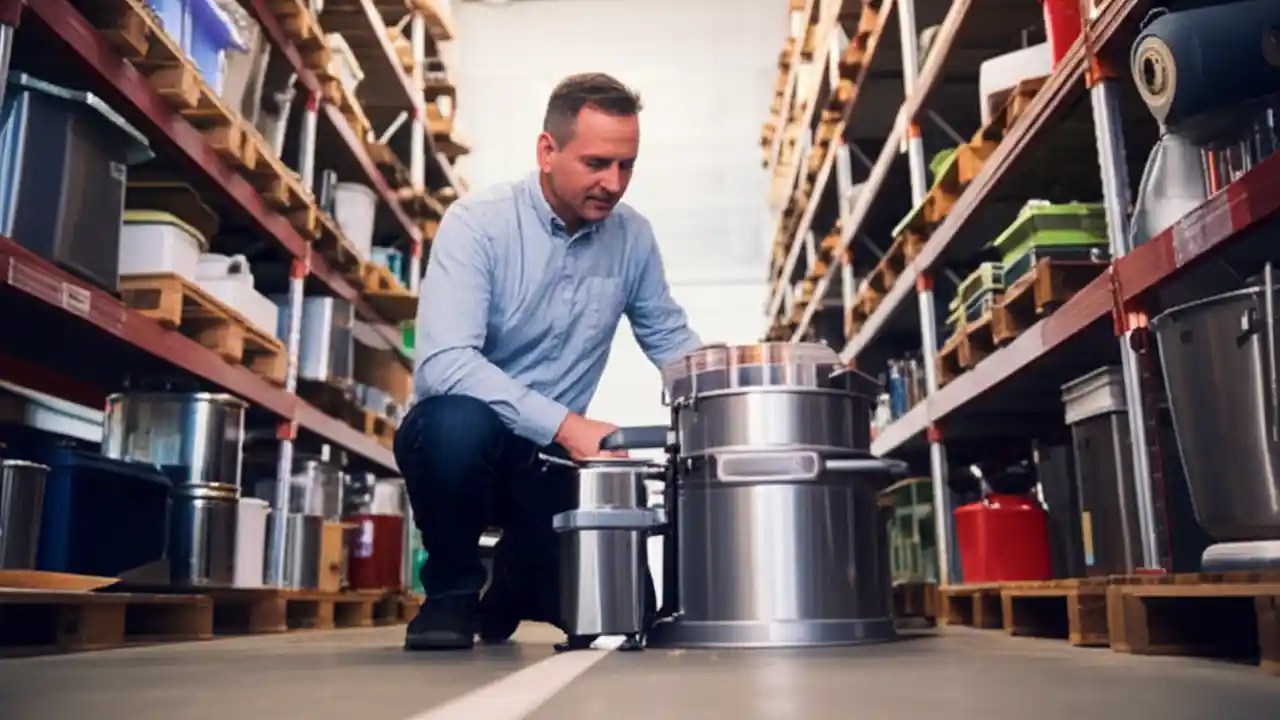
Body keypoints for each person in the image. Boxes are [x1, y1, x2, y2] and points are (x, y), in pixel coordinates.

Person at [393, 72, 702, 651]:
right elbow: (445, 364)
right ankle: (452, 593)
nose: (614, 184)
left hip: (548, 466)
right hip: (466, 451)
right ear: (547, 150)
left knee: (622, 612)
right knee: (456, 425)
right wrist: (566, 425)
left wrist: (739, 394)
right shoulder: (477, 224)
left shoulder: (632, 238)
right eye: (596, 163)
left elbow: (668, 336)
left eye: (626, 165)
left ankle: (515, 581)